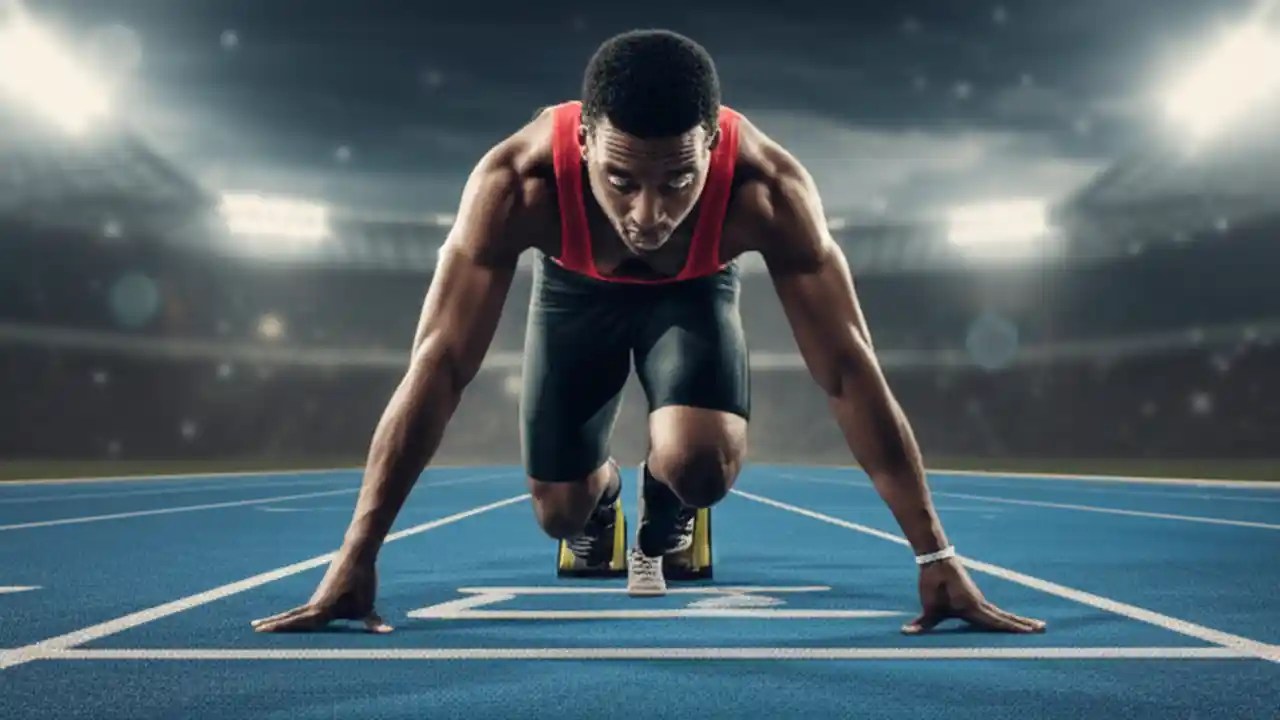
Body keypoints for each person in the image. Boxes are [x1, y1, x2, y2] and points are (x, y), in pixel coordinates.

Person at [252, 29, 1046, 636]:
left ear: (713, 144)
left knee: (700, 465)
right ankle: (600, 508)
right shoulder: (514, 183)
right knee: (555, 515)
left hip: (693, 296)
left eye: (679, 182)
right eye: (621, 181)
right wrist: (356, 555)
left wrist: (934, 554)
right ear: (584, 140)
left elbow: (846, 369)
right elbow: (440, 364)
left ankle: (670, 513)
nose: (649, 214)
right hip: (573, 298)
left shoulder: (767, 190)